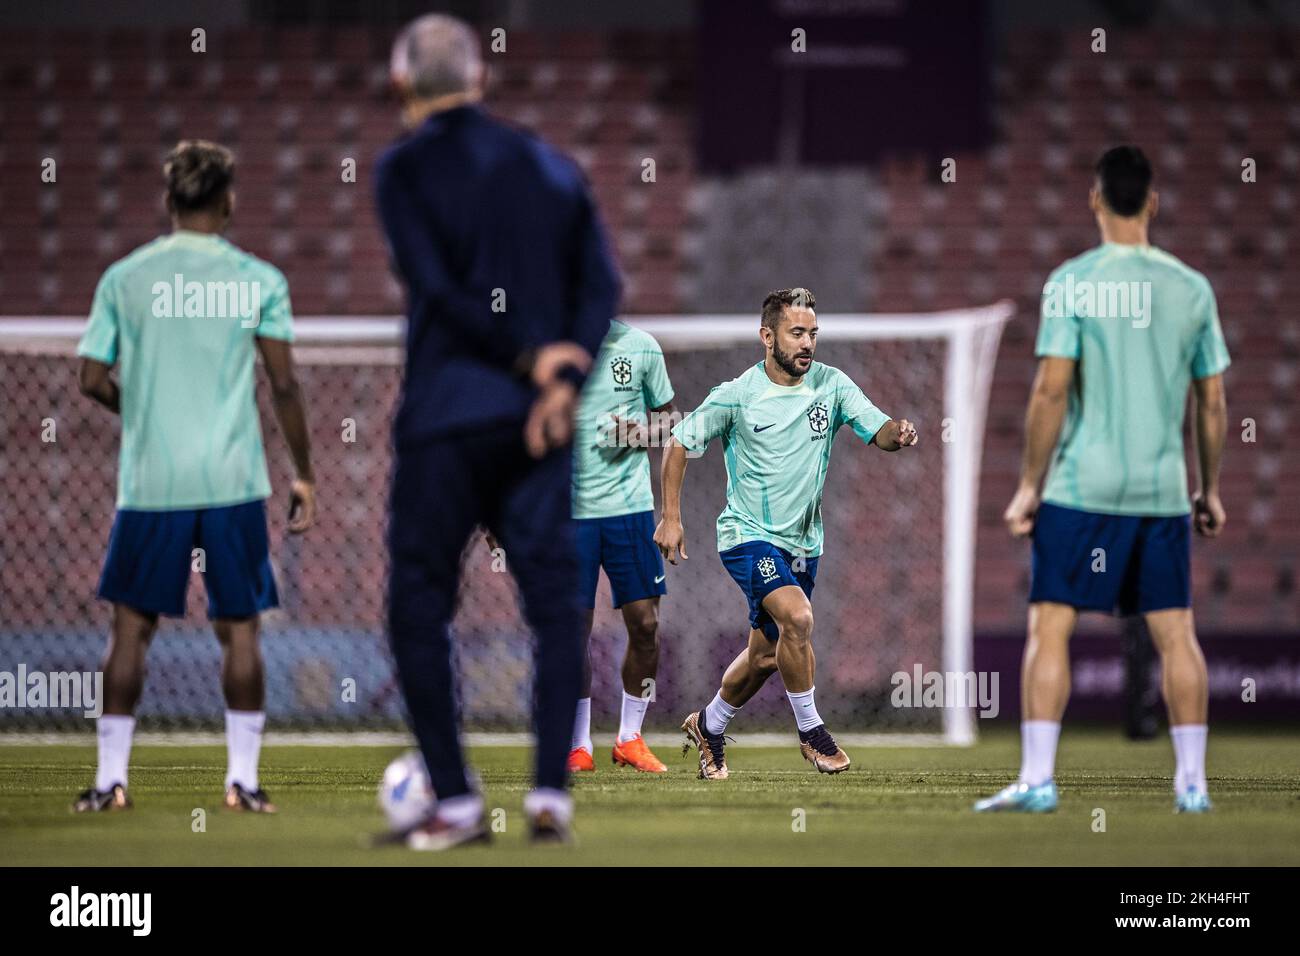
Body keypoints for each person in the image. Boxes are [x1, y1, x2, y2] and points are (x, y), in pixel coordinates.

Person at [377, 13, 616, 848]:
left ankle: (456, 802)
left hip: (448, 415)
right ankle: (550, 796)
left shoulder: (402, 169)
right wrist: (566, 372)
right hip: (538, 428)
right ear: (481, 78)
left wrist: (526, 361)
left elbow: (436, 289)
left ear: (403, 84)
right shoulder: (551, 168)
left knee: (417, 606)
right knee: (555, 608)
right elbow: (602, 284)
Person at [976, 145, 1230, 814]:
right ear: (1152, 201)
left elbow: (1051, 390)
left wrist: (1029, 486)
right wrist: (1208, 489)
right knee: (1177, 634)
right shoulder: (1192, 287)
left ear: (1095, 200)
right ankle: (1193, 783)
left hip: (1081, 489)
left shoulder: (1072, 282)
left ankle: (1037, 780)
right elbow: (1211, 402)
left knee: (1050, 629)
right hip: (1162, 491)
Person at [74, 139, 316, 815]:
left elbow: (91, 379)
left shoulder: (127, 277)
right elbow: (286, 384)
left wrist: (143, 409)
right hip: (233, 479)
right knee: (240, 630)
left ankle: (109, 784)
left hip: (152, 483)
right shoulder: (257, 280)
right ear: (229, 200)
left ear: (169, 199)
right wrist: (305, 475)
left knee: (129, 632)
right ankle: (241, 783)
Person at [655, 288, 918, 779]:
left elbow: (877, 430)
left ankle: (709, 726)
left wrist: (897, 433)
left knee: (763, 657)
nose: (807, 343)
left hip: (804, 545)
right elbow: (678, 443)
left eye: (813, 334)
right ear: (767, 336)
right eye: (797, 333)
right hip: (746, 535)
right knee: (798, 618)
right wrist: (671, 517)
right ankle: (813, 733)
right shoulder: (737, 394)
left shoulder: (832, 386)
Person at [567, 320, 676, 774]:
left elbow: (675, 426)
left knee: (646, 624)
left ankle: (629, 737)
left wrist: (639, 433)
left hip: (630, 510)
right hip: (567, 511)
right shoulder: (545, 342)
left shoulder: (641, 347)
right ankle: (577, 745)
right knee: (571, 630)